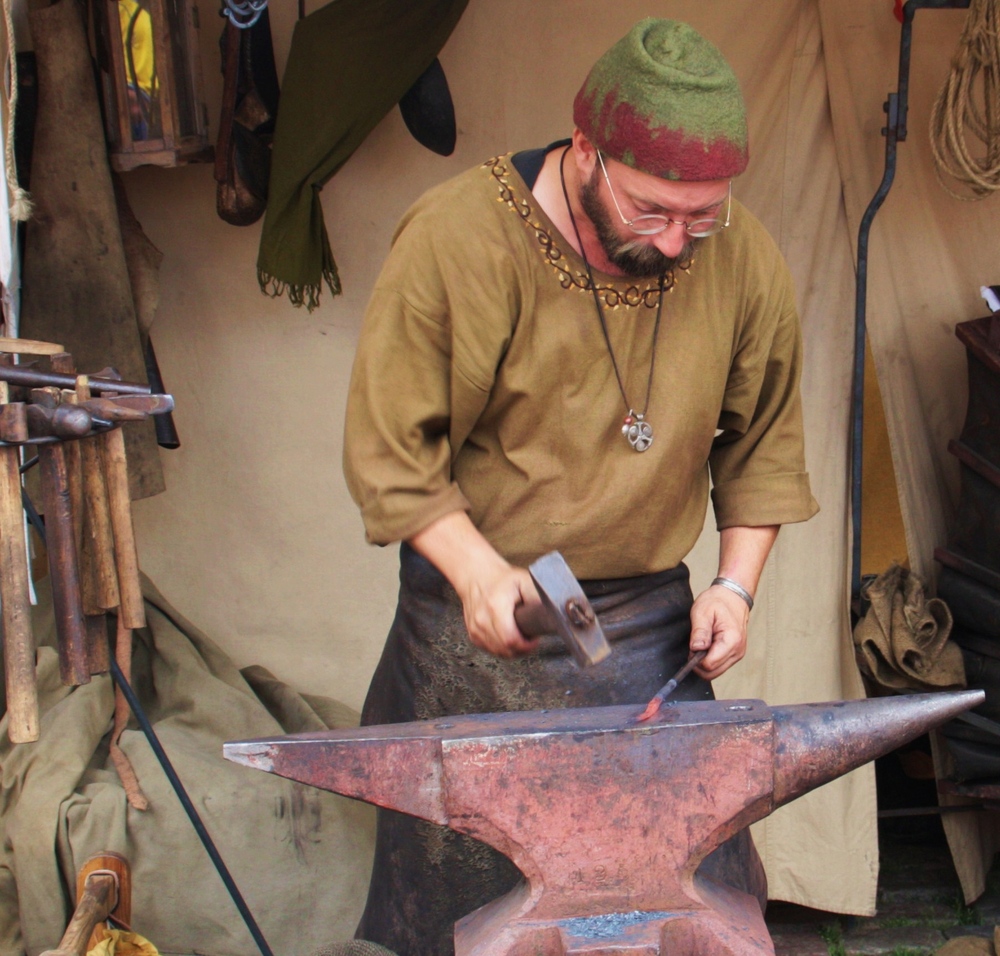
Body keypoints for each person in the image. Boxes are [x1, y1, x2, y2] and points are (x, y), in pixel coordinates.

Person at [343, 18, 819, 956]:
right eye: (652, 211)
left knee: (690, 913)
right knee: (472, 926)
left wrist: (734, 583)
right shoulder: (460, 238)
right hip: (477, 638)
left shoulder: (741, 254)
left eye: (702, 215)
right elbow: (394, 447)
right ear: (587, 152)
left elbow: (762, 438)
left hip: (650, 637)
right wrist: (477, 571)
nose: (680, 242)